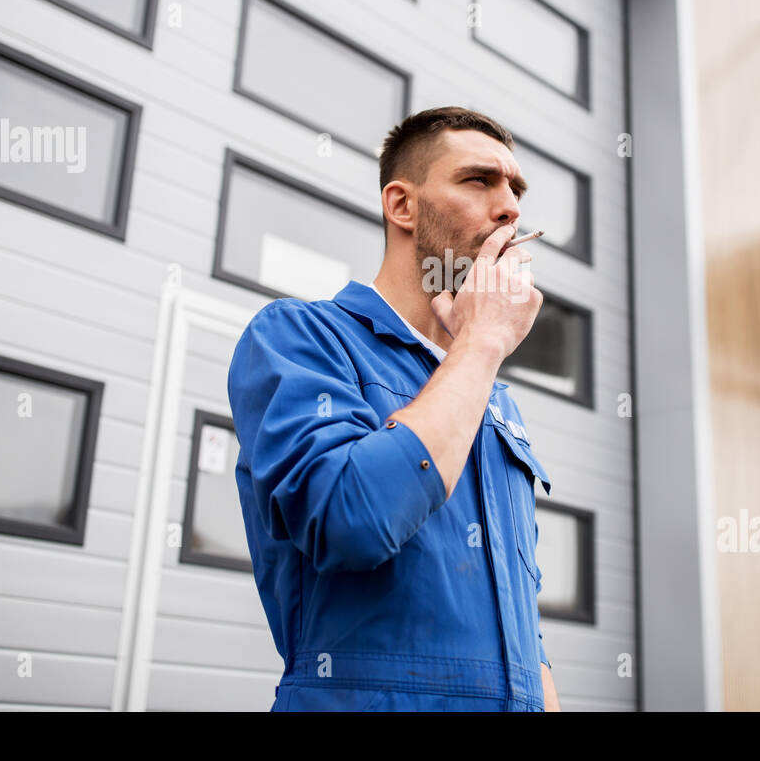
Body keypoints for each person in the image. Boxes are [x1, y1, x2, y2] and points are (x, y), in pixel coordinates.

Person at [227, 106, 561, 711]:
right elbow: (350, 520)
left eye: (516, 189)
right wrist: (482, 344)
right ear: (401, 205)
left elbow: (525, 627)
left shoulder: (495, 399)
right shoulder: (302, 339)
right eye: (478, 180)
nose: (510, 205)